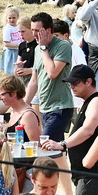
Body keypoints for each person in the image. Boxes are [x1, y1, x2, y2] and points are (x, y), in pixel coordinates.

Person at [24, 12, 74, 141]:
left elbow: (52, 73)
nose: (34, 34)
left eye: (38, 31)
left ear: (48, 30)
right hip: (44, 107)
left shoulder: (63, 46)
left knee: (46, 148)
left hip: (60, 107)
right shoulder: (37, 49)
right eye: (32, 30)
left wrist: (44, 48)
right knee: (56, 151)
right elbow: (34, 80)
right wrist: (23, 105)